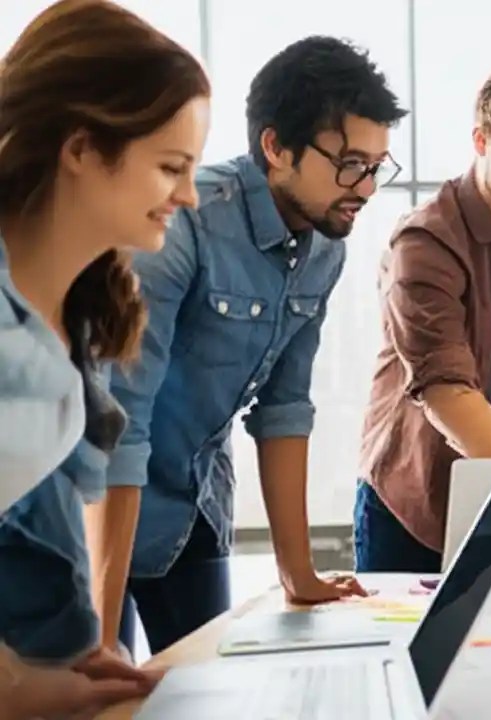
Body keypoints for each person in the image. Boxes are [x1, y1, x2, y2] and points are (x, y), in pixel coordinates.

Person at [96, 36, 407, 659]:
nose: (366, 188)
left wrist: (299, 575)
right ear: (276, 147)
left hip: (195, 511)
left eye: (376, 166)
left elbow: (284, 407)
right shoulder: (184, 224)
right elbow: (118, 424)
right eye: (349, 164)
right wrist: (101, 634)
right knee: (105, 693)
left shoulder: (326, 248)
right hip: (100, 507)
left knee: (203, 693)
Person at [0, 0, 210, 715]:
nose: (187, 195)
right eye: (170, 167)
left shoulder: (85, 312)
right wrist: (19, 688)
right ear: (83, 148)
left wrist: (76, 655)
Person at [356, 60, 491, 573]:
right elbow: (447, 392)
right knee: (409, 652)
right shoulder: (424, 242)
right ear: (481, 141)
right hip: (411, 497)